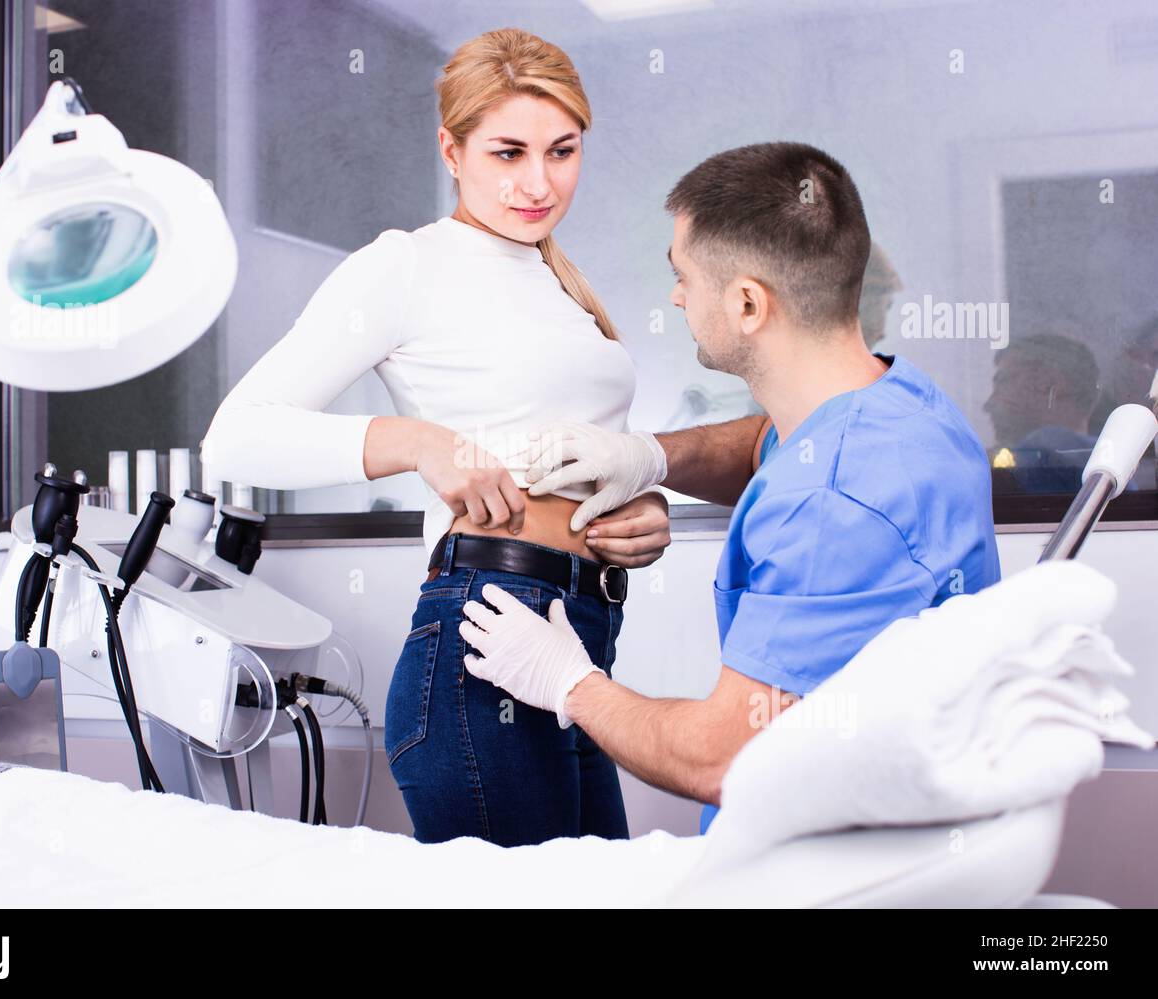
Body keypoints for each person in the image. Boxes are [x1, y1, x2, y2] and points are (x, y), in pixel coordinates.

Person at [201, 28, 670, 846]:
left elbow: (575, 453)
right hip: (488, 632)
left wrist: (638, 506)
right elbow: (233, 439)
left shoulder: (561, 283)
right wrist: (417, 441)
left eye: (562, 151)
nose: (538, 182)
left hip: (583, 636)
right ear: (451, 151)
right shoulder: (408, 265)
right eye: (508, 153)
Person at [459, 141, 1002, 833]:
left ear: (748, 303)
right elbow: (765, 447)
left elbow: (723, 758)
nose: (676, 294)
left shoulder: (835, 504)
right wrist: (648, 455)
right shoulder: (905, 407)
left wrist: (571, 683)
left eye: (682, 274)